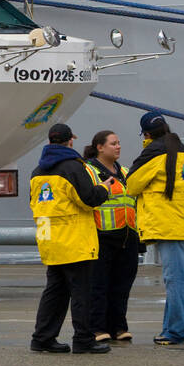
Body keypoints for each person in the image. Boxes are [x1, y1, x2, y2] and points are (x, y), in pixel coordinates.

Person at [29, 123, 122, 354]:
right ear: (70, 140)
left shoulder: (38, 172)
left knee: (55, 292)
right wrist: (104, 188)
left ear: (50, 142)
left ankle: (42, 338)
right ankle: (83, 339)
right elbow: (88, 199)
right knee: (82, 292)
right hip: (74, 239)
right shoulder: (72, 167)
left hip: (48, 238)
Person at [125, 112, 184, 346]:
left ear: (146, 134)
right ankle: (171, 328)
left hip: (168, 226)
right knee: (179, 280)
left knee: (175, 280)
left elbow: (131, 185)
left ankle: (178, 331)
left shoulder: (152, 153)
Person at [83, 130, 139, 343]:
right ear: (100, 147)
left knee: (122, 285)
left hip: (127, 237)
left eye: (119, 143)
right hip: (102, 236)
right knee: (98, 284)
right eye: (113, 143)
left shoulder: (124, 171)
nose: (118, 147)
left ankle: (119, 327)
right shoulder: (89, 170)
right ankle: (97, 328)